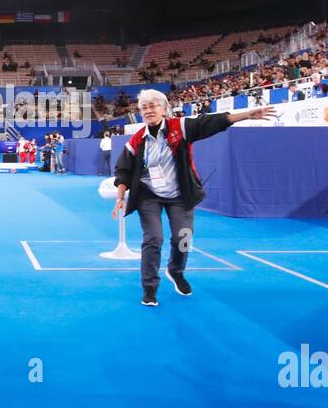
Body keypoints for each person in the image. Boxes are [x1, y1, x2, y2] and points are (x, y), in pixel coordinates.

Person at [113, 90, 276, 306]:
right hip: (148, 195)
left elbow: (210, 122)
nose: (148, 111)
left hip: (180, 194)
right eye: (144, 108)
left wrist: (246, 115)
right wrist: (120, 197)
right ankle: (150, 288)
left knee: (184, 237)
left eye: (153, 106)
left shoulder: (179, 128)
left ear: (163, 108)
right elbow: (123, 170)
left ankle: (176, 271)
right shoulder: (136, 140)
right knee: (153, 239)